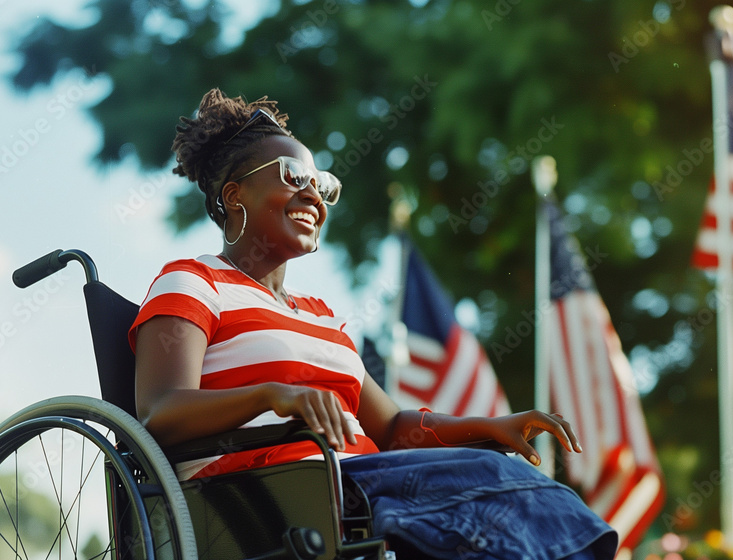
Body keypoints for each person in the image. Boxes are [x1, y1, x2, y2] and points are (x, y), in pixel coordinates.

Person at [130, 88, 618, 560]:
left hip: (358, 485)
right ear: (235, 194)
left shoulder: (321, 315)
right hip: (272, 493)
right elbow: (160, 413)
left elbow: (391, 427)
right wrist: (272, 395)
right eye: (294, 175)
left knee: (520, 492)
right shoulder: (194, 283)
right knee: (503, 493)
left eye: (321, 184)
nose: (313, 194)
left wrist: (488, 426)